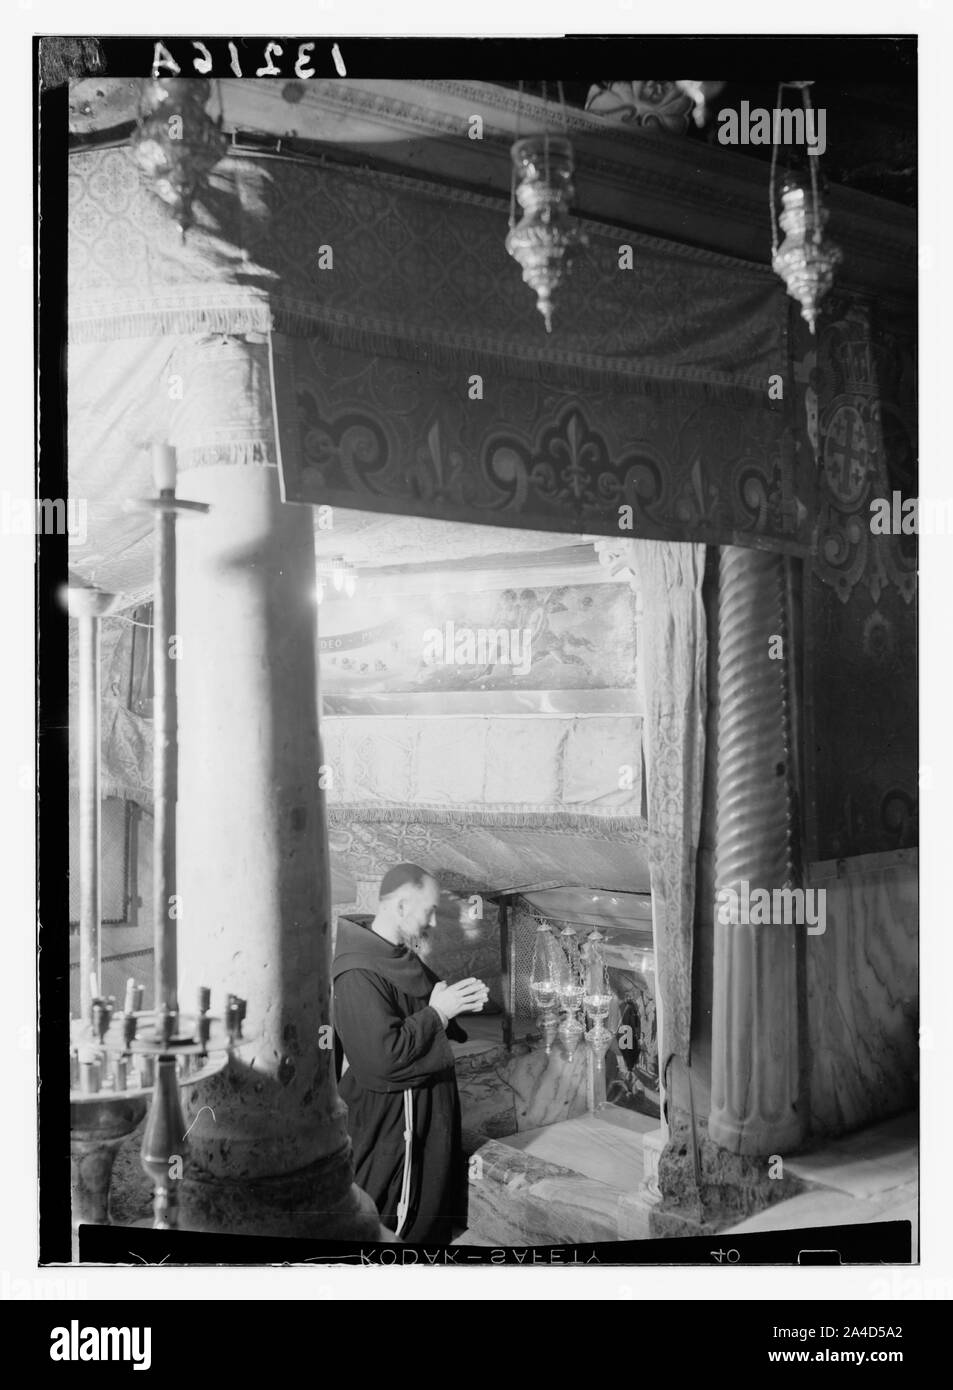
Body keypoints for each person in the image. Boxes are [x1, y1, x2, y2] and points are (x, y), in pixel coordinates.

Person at [331, 863, 489, 1243]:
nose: (433, 922)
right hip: (391, 1129)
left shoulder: (393, 954)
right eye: (429, 910)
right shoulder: (357, 972)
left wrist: (454, 1006)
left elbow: (422, 1005)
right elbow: (382, 1058)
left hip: (423, 1119)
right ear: (401, 907)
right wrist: (440, 1013)